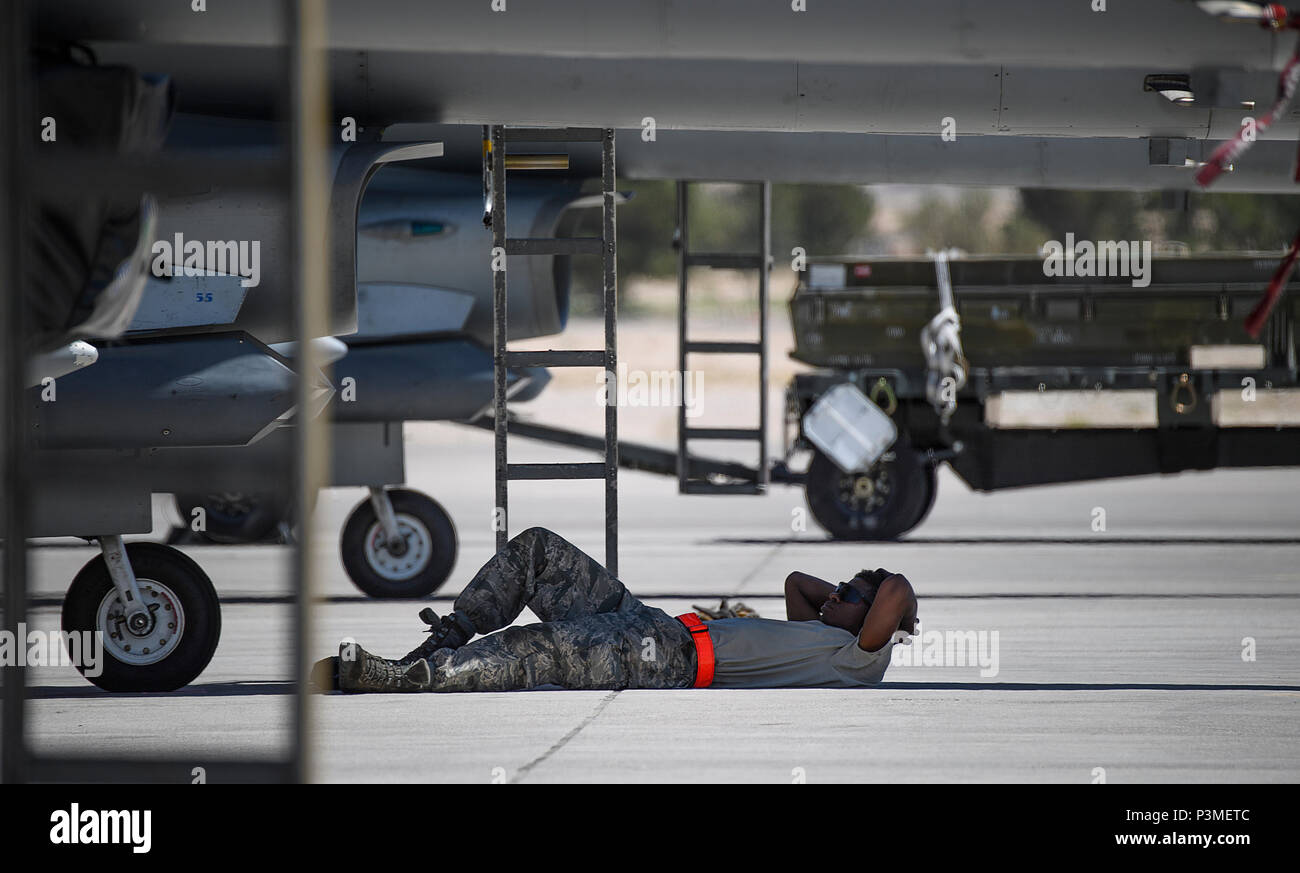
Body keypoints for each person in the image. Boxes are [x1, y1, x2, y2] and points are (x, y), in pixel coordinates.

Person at [317, 526, 918, 693]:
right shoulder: (821, 638)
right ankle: (445, 639)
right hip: (657, 623)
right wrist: (845, 597)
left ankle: (406, 680)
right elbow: (796, 581)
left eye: (853, 593)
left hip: (671, 658)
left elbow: (898, 590)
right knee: (539, 550)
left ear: (879, 621)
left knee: (544, 648)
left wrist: (880, 596)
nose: (834, 592)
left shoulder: (855, 661)